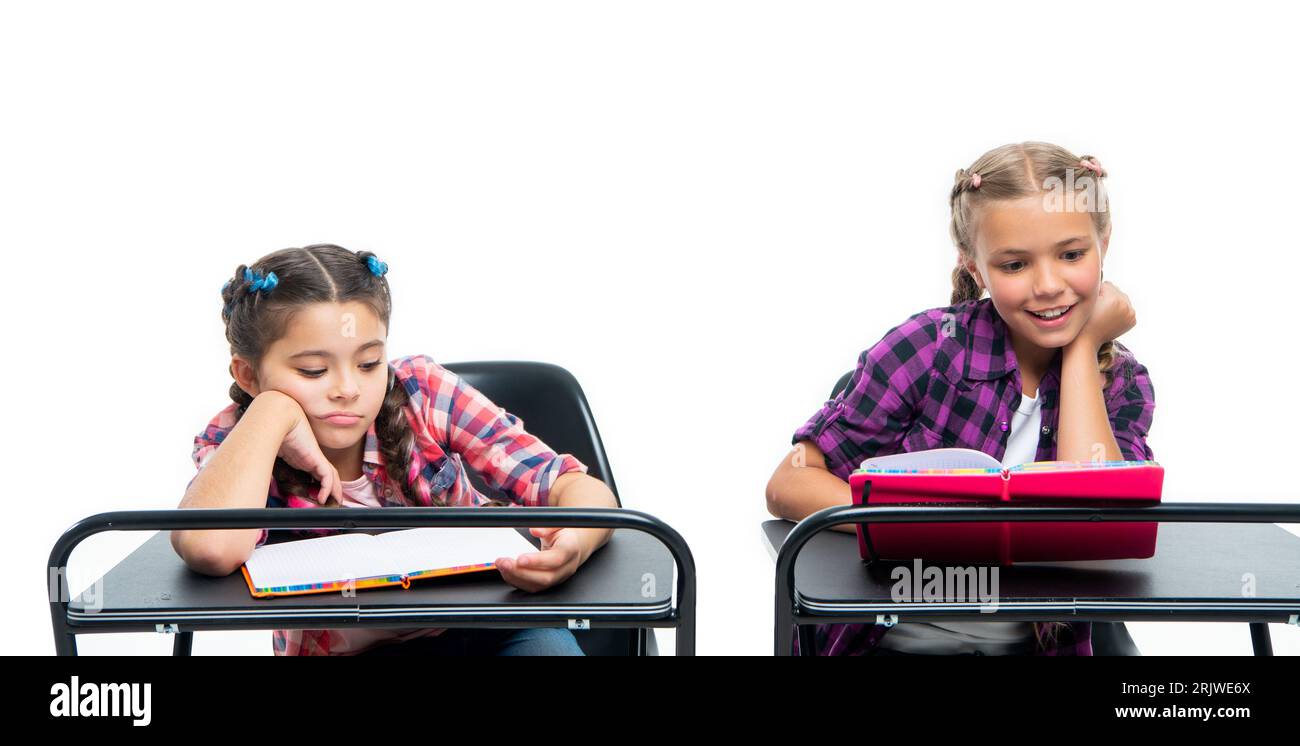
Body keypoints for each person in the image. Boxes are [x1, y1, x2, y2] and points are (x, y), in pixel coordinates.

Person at [765, 142, 1156, 655]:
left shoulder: (1122, 381)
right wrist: (918, 529)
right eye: (1014, 265)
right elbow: (788, 482)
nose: (1047, 285)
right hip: (888, 643)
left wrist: (1083, 349)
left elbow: (1094, 527)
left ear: (1104, 243)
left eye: (1072, 255)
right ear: (975, 269)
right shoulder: (927, 349)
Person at [171, 244, 618, 655]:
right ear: (248, 375)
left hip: (490, 630)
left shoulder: (422, 391)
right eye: (312, 371)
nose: (348, 389)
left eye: (368, 364)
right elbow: (210, 548)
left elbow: (577, 489)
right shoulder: (237, 436)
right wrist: (270, 412)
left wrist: (575, 544)